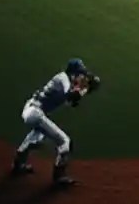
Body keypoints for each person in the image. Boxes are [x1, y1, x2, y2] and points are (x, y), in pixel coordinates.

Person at [12, 59, 102, 187]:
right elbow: (72, 96)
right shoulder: (63, 79)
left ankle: (18, 165)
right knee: (65, 141)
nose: (81, 76)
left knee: (36, 139)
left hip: (31, 111)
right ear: (73, 73)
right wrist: (85, 88)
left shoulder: (64, 80)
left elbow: (72, 102)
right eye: (80, 74)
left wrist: (82, 89)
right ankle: (59, 177)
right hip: (35, 113)